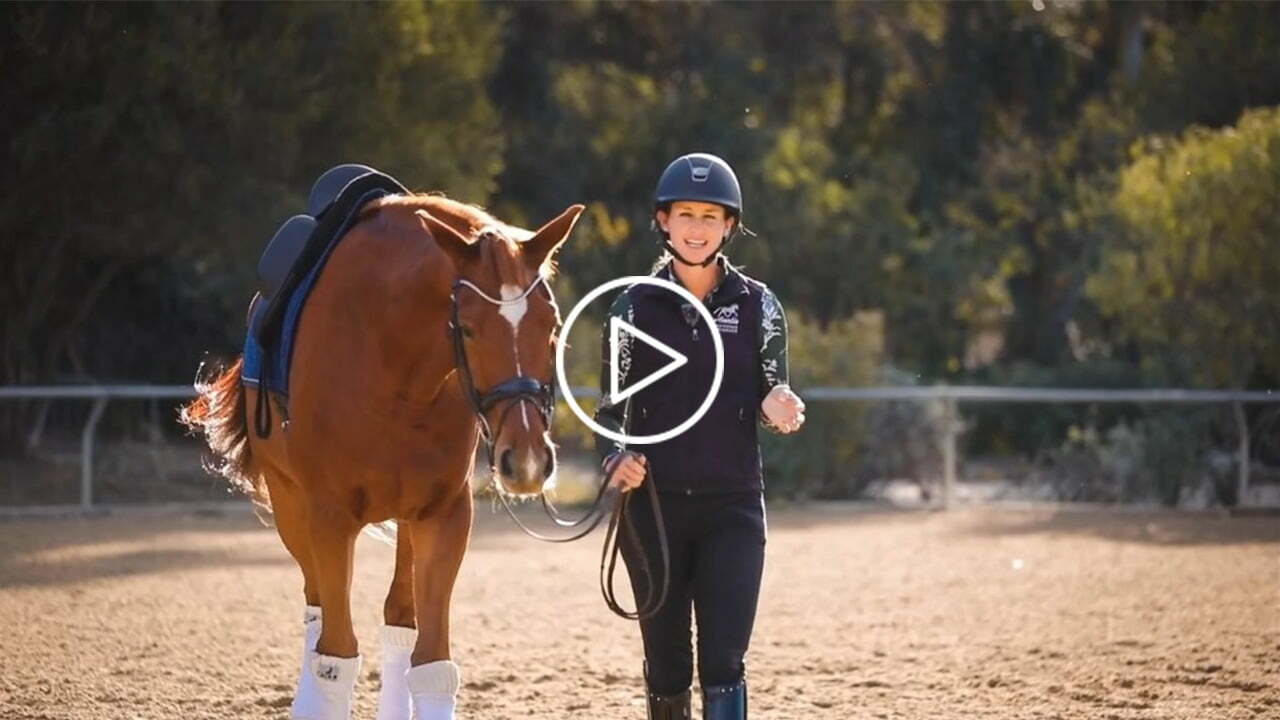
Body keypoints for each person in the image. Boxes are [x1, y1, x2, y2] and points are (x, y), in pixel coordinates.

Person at [594, 152, 805, 720]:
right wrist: (616, 457)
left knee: (723, 662)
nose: (696, 227)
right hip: (653, 511)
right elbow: (608, 412)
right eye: (684, 214)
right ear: (662, 221)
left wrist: (778, 404)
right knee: (666, 664)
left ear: (729, 226)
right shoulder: (631, 306)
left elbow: (770, 389)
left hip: (732, 509)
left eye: (710, 217)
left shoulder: (760, 305)